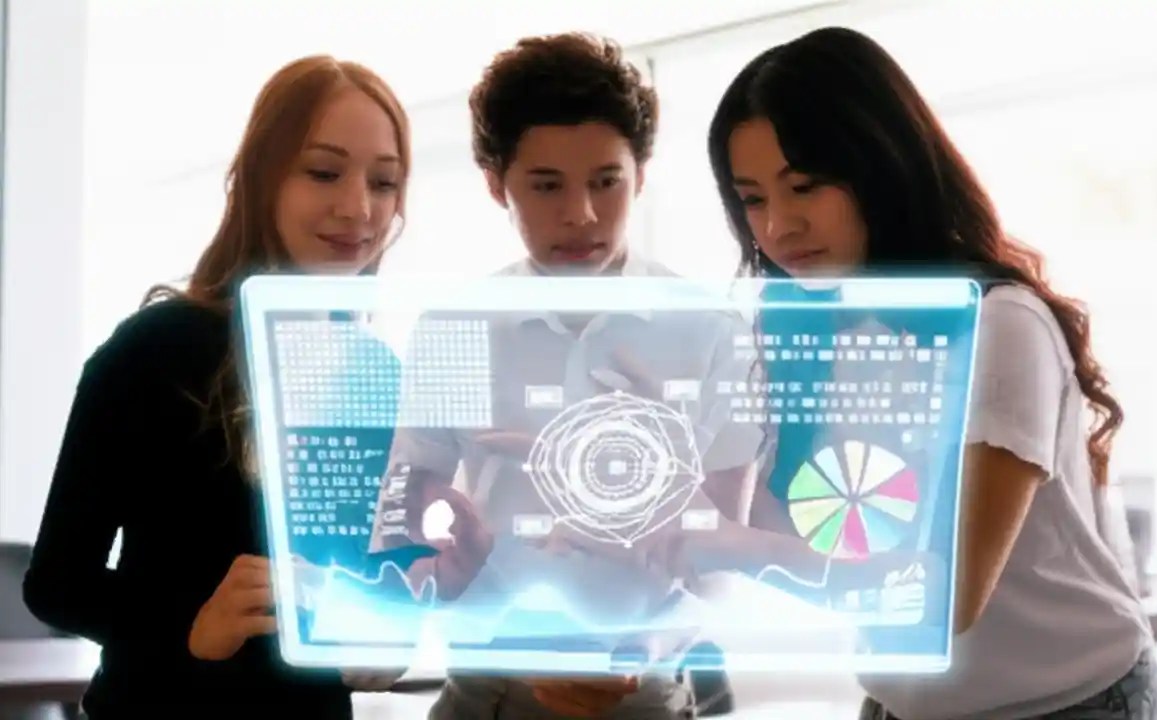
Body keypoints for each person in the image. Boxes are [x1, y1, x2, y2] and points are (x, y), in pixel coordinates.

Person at [706, 26, 1157, 720]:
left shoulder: (1000, 323)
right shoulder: (809, 324)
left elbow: (944, 601)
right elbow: (808, 535)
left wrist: (733, 547)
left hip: (1066, 700)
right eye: (753, 199)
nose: (778, 228)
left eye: (805, 186)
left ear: (882, 166)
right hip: (903, 701)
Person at [368, 32, 760, 719]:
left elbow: (725, 557)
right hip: (483, 691)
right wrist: (434, 561)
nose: (580, 214)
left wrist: (651, 643)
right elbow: (407, 514)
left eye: (606, 182)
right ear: (497, 185)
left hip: (642, 692)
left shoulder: (710, 328)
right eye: (546, 186)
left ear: (641, 172)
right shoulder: (455, 329)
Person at [23, 55, 413, 718]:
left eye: (384, 182)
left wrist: (388, 637)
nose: (359, 207)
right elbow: (57, 585)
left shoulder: (376, 372)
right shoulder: (153, 352)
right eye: (323, 172)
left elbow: (380, 578)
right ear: (261, 180)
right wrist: (191, 625)